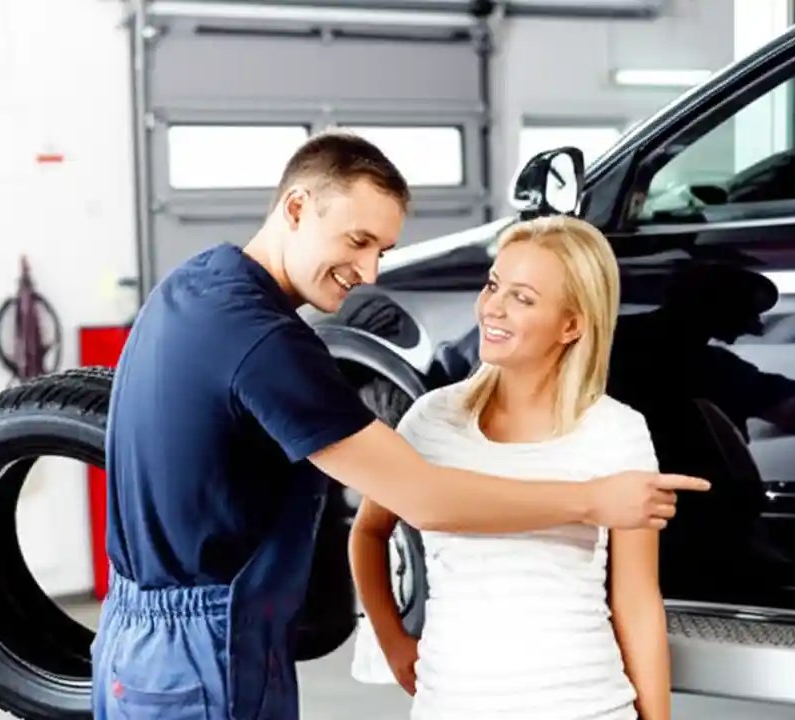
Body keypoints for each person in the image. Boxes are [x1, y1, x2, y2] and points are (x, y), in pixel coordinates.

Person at [94, 131, 706, 720]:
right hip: (201, 651)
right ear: (297, 207)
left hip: (151, 639)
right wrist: (596, 499)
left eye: (380, 251)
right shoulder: (268, 344)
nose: (369, 272)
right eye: (357, 240)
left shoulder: (194, 286)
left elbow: (635, 600)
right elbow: (423, 501)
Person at [349, 214, 671, 720]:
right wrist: (391, 639)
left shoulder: (616, 432)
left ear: (572, 324)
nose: (492, 308)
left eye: (522, 298)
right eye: (493, 285)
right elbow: (369, 532)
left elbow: (636, 601)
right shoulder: (431, 420)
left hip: (587, 706)